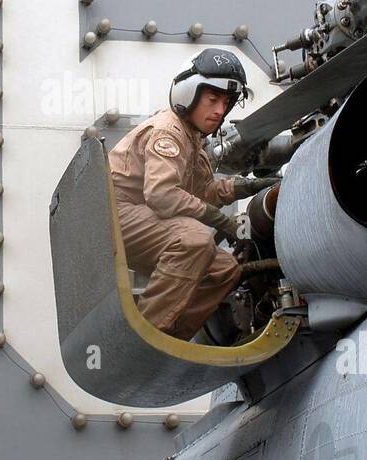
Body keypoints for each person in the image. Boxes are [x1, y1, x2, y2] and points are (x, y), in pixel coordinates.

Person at [108, 48, 279, 341]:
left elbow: (203, 192)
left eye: (225, 103)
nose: (219, 111)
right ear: (189, 94)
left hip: (140, 221)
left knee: (225, 269)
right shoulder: (168, 133)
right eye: (212, 100)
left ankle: (174, 336)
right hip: (112, 217)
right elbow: (161, 195)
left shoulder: (193, 140)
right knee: (195, 240)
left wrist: (249, 186)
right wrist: (223, 222)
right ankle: (147, 337)